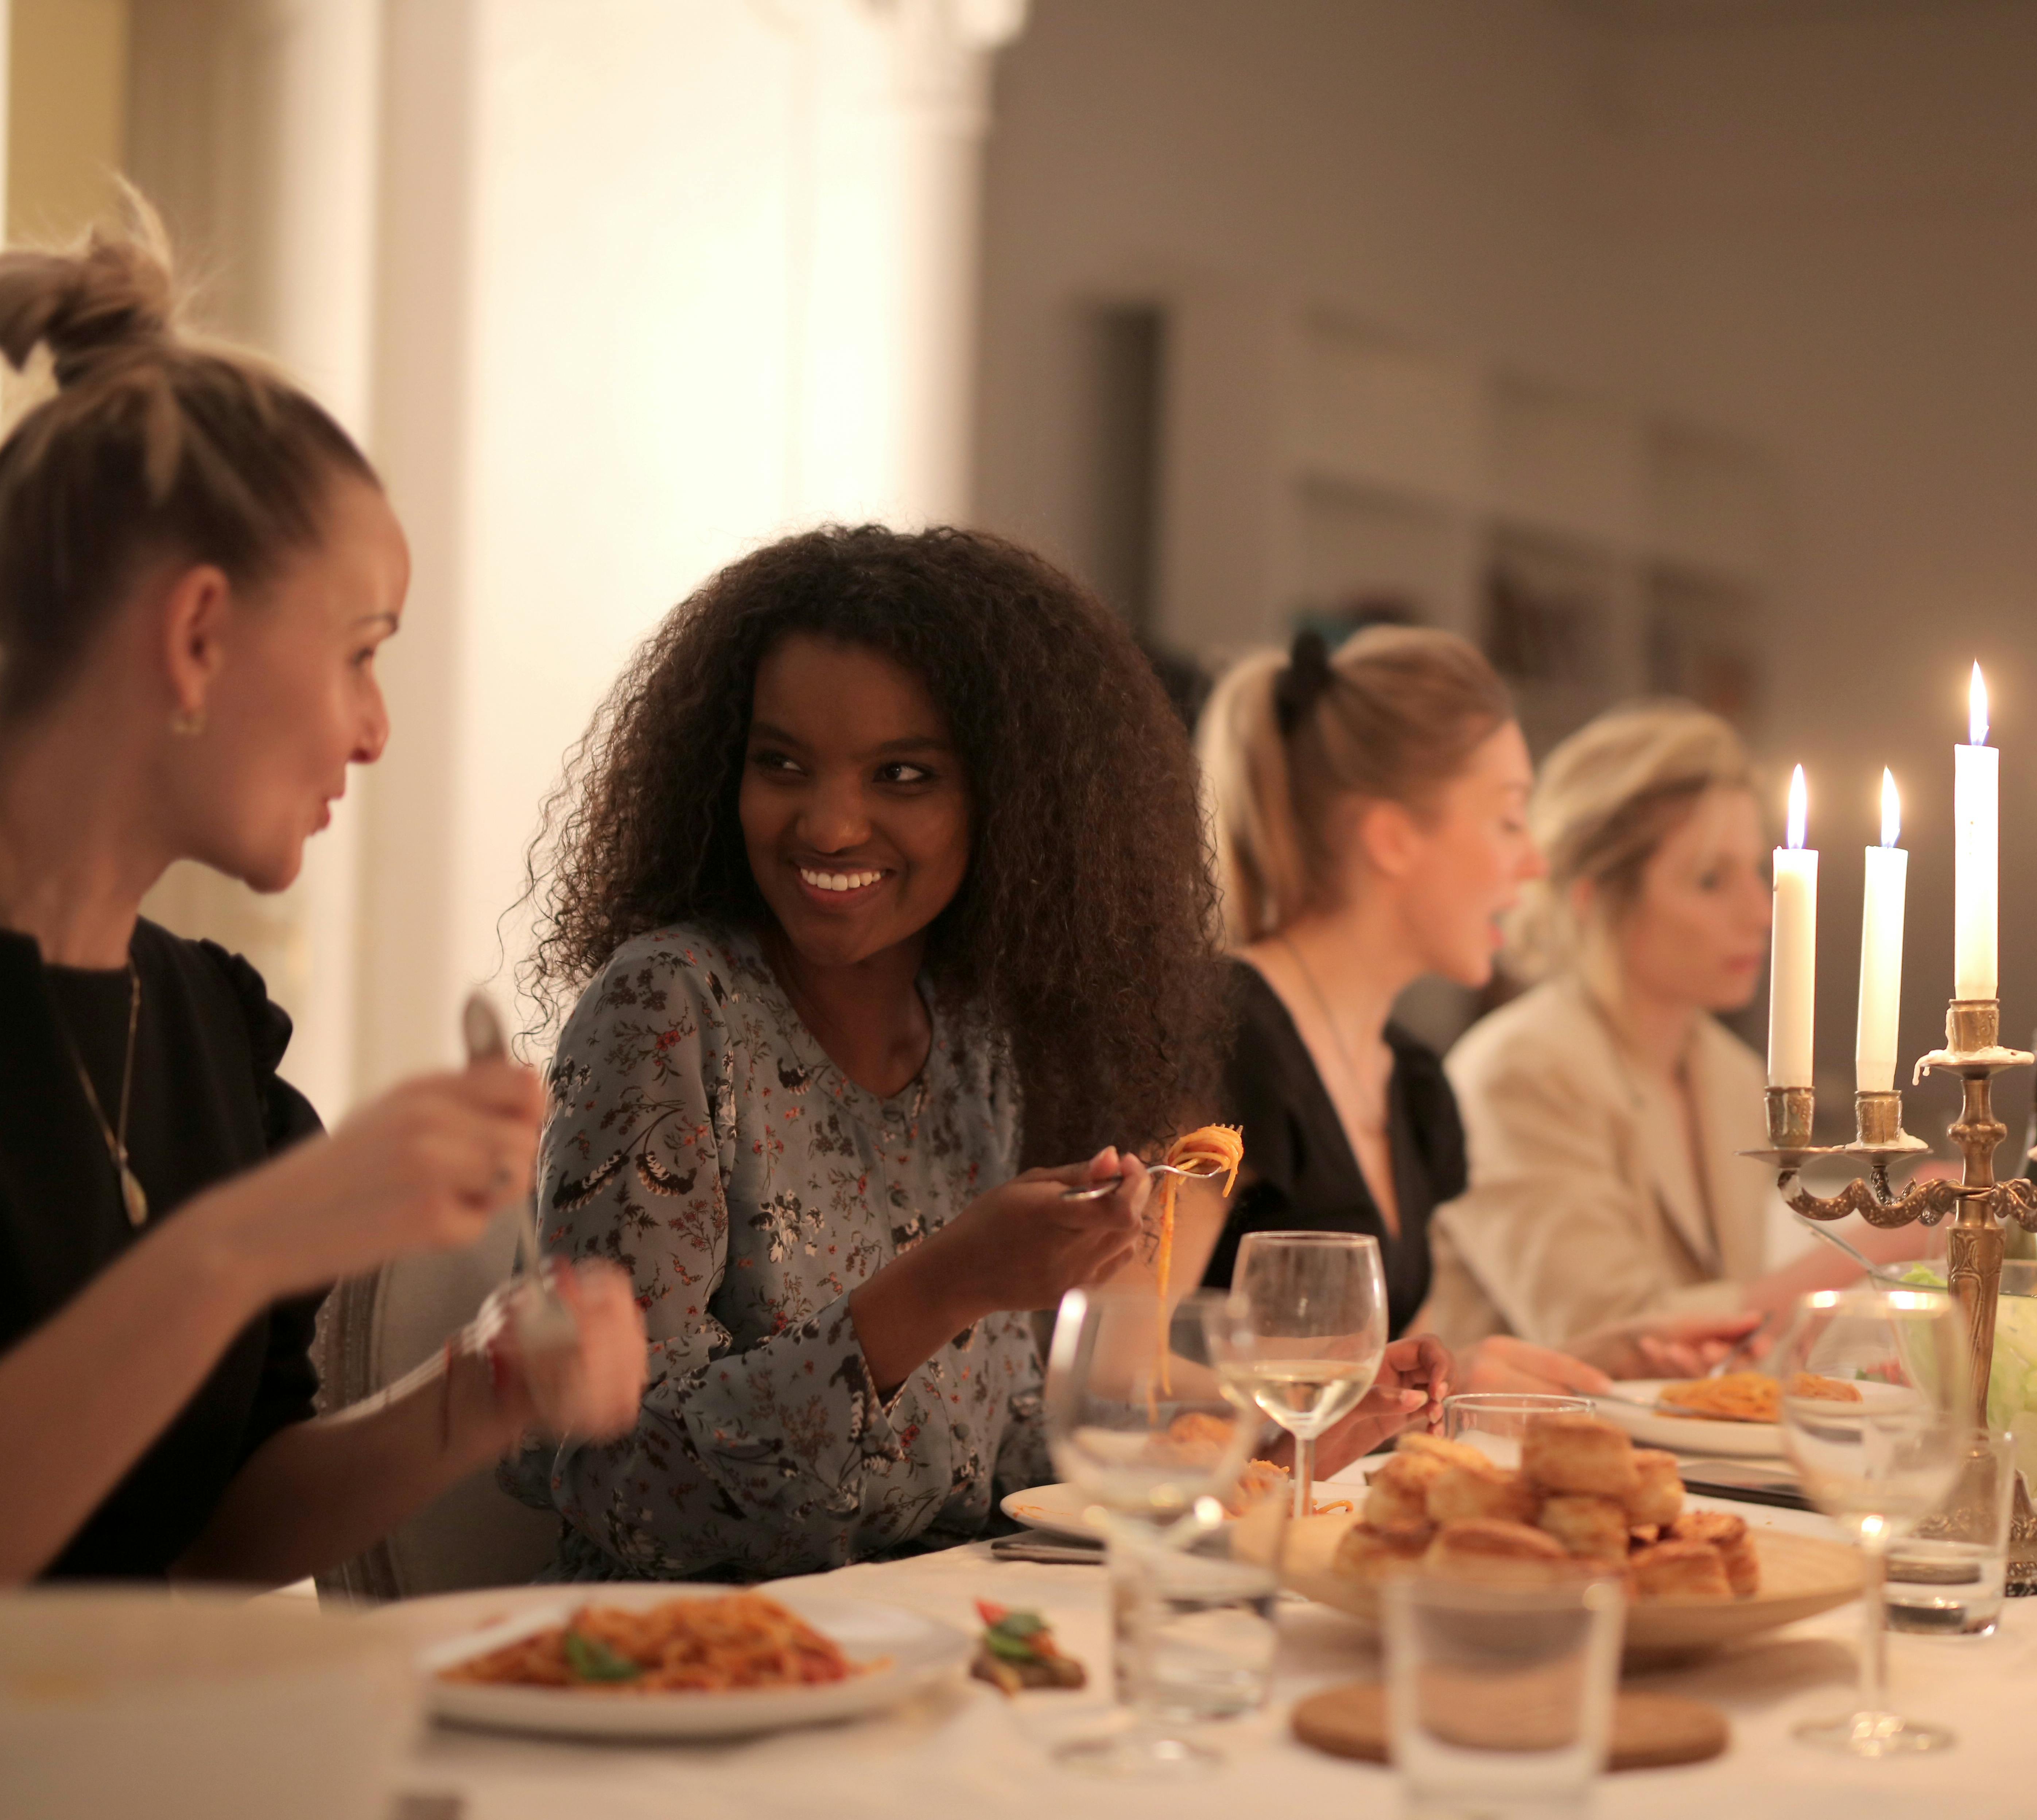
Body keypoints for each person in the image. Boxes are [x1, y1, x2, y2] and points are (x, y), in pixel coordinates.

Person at [505, 532, 1436, 1581]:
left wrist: (1283, 1446)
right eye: (782, 763)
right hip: (694, 1670)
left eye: (901, 774)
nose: (830, 820)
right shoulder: (669, 1009)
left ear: (1014, 802)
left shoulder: (970, 1034)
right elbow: (619, 1477)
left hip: (934, 1648)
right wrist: (946, 1283)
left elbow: (1009, 1464)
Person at [0, 208, 644, 1587]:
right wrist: (251, 1242)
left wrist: (481, 1392)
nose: (374, 730)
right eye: (360, 654)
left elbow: (214, 1539)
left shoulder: (207, 1027)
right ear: (198, 636)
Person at [1182, 630, 1755, 1392]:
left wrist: (1600, 1349)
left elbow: (1387, 1371)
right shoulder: (1224, 1038)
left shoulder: (1407, 1081)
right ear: (1392, 838)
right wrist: (1366, 1393)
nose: (1536, 862)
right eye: (1510, 819)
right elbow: (1121, 1370)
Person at [1426, 703, 1931, 1350]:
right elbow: (1613, 1338)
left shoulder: (1731, 1071)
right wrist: (1884, 1237)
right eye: (1710, 879)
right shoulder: (1517, 1071)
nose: (1760, 913)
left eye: (1755, 871)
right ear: (1595, 898)